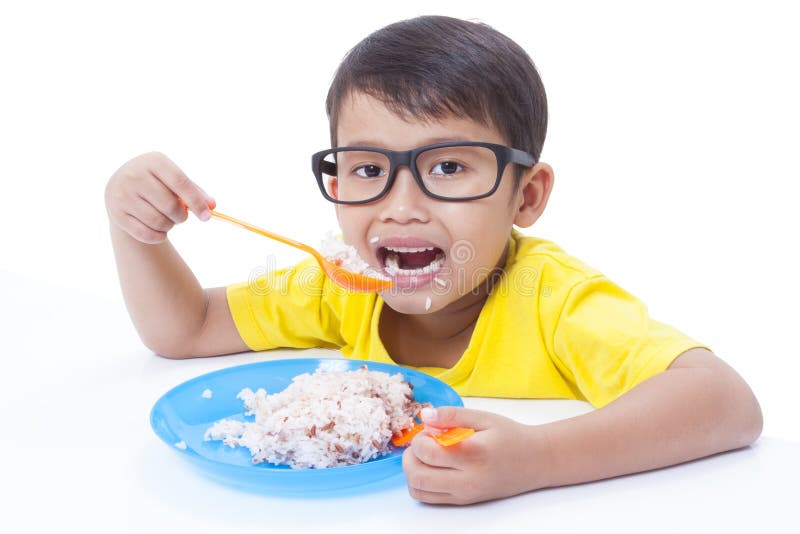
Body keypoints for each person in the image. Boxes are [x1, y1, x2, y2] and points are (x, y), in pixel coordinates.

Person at [104, 15, 762, 505]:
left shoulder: (554, 301)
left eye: (448, 166)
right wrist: (138, 231)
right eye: (367, 168)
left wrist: (538, 458)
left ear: (525, 197)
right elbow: (184, 330)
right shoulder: (339, 287)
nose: (400, 207)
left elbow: (727, 402)